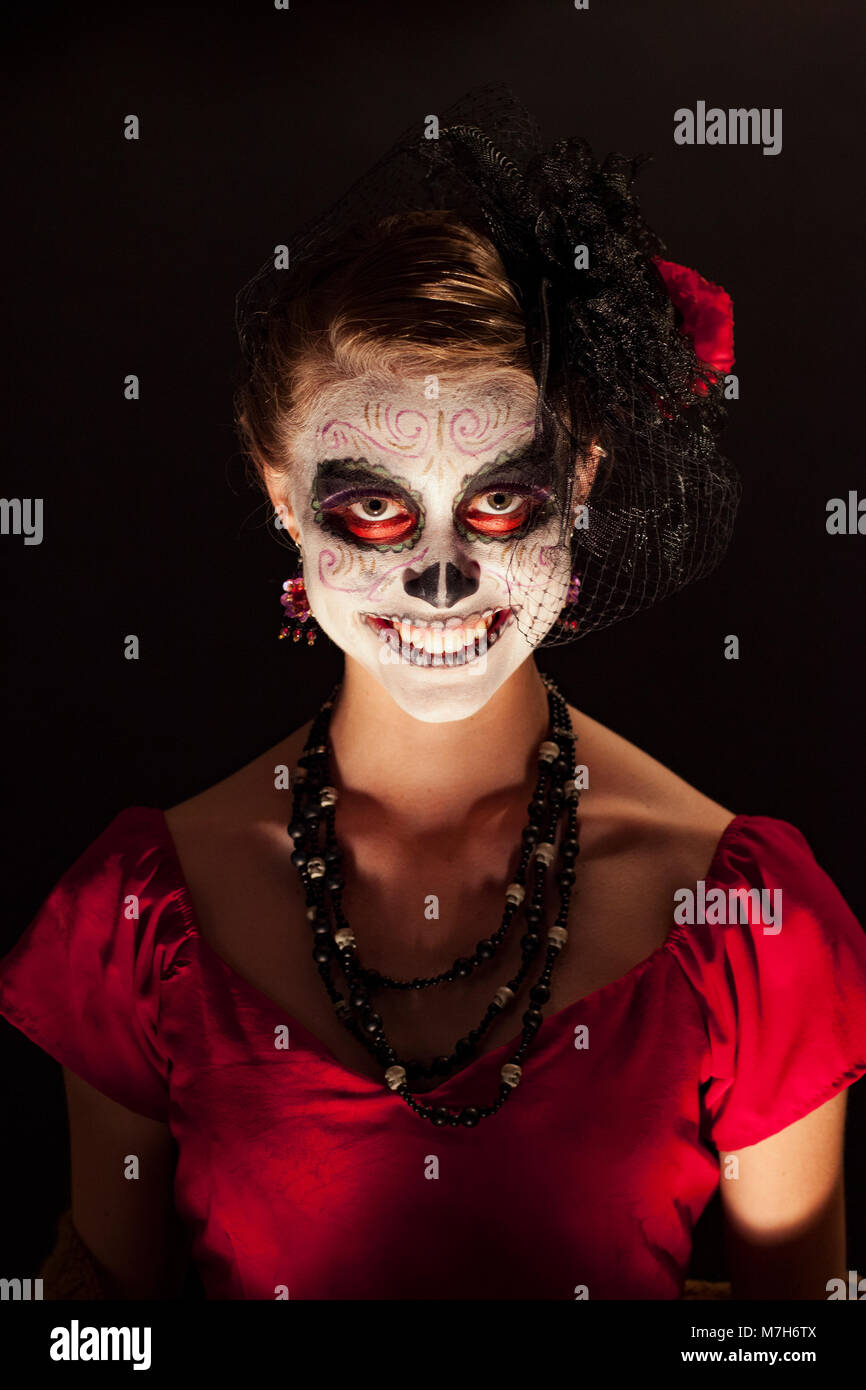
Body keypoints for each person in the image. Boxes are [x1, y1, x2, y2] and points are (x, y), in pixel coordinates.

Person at [2, 88, 866, 1301]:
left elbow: (795, 1334)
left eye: (501, 499)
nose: (443, 574)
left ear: (583, 478)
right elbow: (103, 1317)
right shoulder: (140, 918)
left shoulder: (744, 928)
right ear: (279, 495)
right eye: (372, 504)